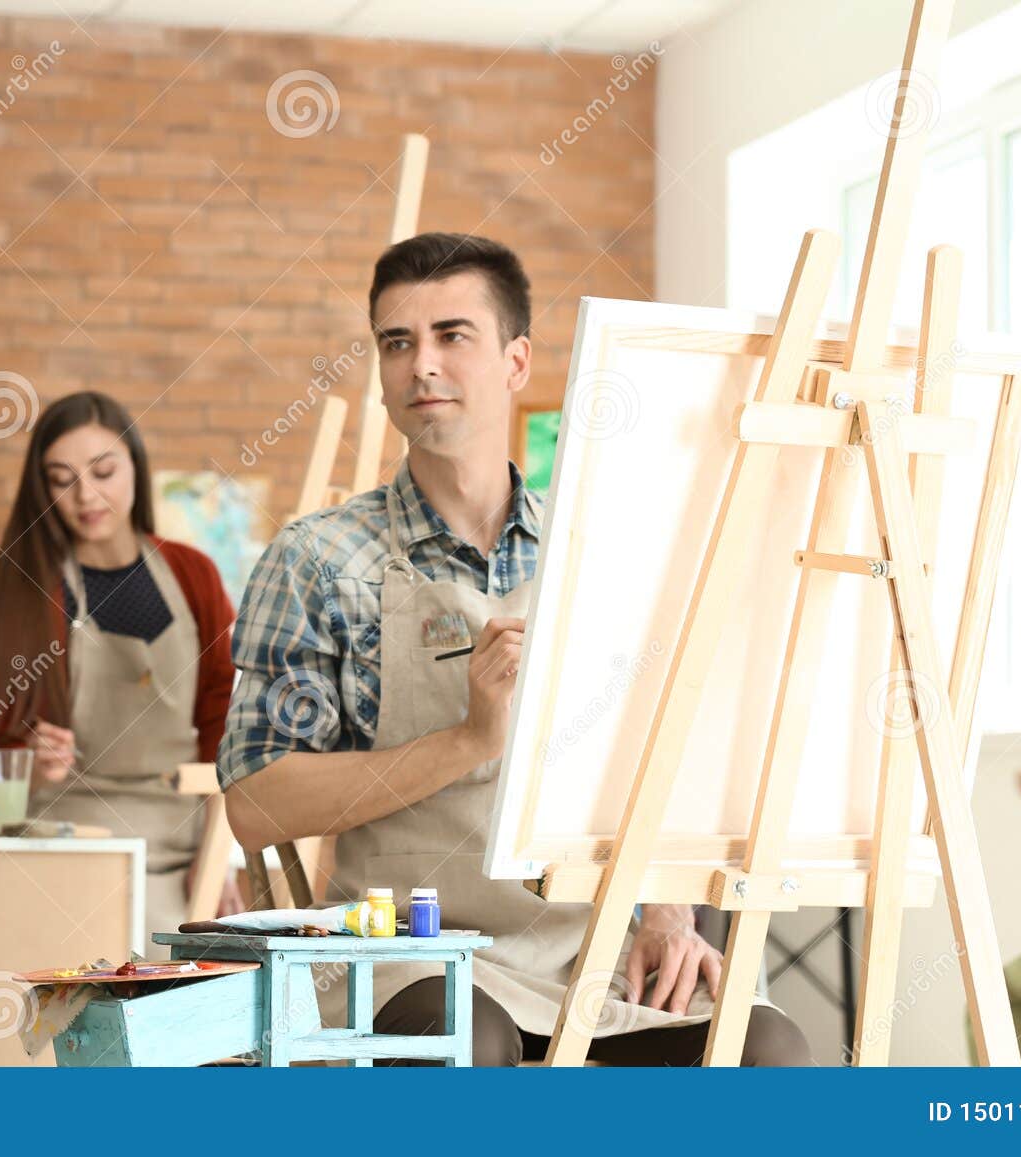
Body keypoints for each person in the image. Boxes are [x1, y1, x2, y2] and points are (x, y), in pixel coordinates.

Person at [218, 232, 812, 1065]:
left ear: (517, 361)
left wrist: (667, 913)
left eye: (451, 335)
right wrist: (466, 742)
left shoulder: (600, 549)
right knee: (464, 1036)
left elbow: (658, 763)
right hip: (404, 957)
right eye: (398, 342)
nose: (421, 364)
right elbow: (257, 802)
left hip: (586, 959)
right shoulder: (320, 557)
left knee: (767, 1049)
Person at [0, 391, 239, 948]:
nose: (86, 495)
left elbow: (225, 722)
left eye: (104, 471)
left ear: (135, 465)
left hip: (185, 846)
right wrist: (29, 758)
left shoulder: (192, 575)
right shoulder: (27, 589)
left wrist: (219, 859)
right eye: (62, 479)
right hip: (71, 845)